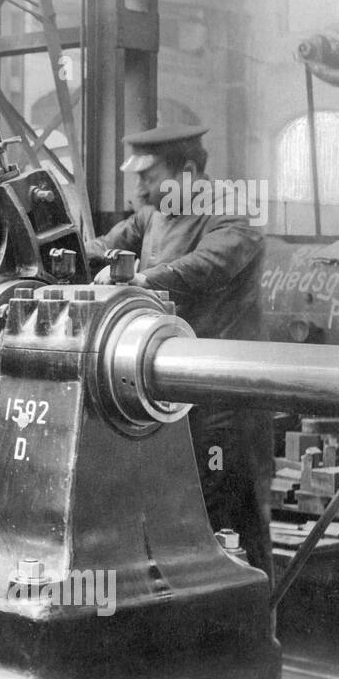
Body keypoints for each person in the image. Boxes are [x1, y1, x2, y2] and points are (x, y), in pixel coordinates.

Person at [85, 124, 275, 581]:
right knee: (177, 522)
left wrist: (145, 280)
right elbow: (101, 248)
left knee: (230, 521)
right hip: (166, 394)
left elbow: (212, 264)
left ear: (188, 171)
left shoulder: (232, 210)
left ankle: (251, 632)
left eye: (149, 175)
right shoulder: (151, 217)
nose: (139, 186)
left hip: (224, 398)